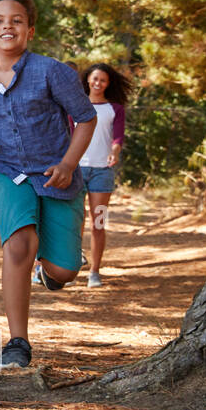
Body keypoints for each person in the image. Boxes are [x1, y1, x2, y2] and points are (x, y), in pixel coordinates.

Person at [0, 0, 97, 369]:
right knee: (17, 247)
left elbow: (86, 118)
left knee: (66, 269)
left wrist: (67, 163)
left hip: (57, 176)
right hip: (10, 174)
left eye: (16, 20)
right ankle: (18, 341)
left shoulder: (51, 71)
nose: (7, 26)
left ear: (29, 30)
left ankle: (52, 270)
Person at [77, 62, 131, 287]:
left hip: (102, 172)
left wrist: (114, 152)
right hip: (76, 170)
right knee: (74, 222)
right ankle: (70, 268)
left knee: (98, 223)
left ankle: (94, 272)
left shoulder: (115, 109)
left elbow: (118, 137)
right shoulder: (76, 106)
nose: (98, 83)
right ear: (88, 79)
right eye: (95, 78)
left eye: (103, 80)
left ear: (108, 84)